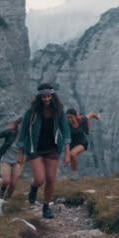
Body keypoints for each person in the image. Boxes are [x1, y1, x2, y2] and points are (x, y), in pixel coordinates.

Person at [18, 83, 71, 219]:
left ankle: (46, 207)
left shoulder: (59, 111)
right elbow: (23, 132)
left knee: (51, 179)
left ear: (52, 96)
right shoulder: (31, 112)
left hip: (52, 148)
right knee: (40, 179)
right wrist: (21, 152)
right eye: (43, 97)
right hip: (34, 148)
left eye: (48, 96)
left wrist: (67, 153)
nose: (46, 99)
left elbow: (65, 132)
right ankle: (34, 187)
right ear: (39, 97)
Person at [65, 108, 100, 181]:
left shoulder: (82, 120)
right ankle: (75, 174)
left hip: (82, 143)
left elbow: (91, 114)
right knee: (72, 154)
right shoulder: (67, 126)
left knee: (73, 154)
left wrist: (97, 117)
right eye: (68, 118)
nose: (70, 119)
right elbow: (66, 140)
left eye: (71, 117)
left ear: (75, 116)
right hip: (72, 145)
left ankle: (75, 174)